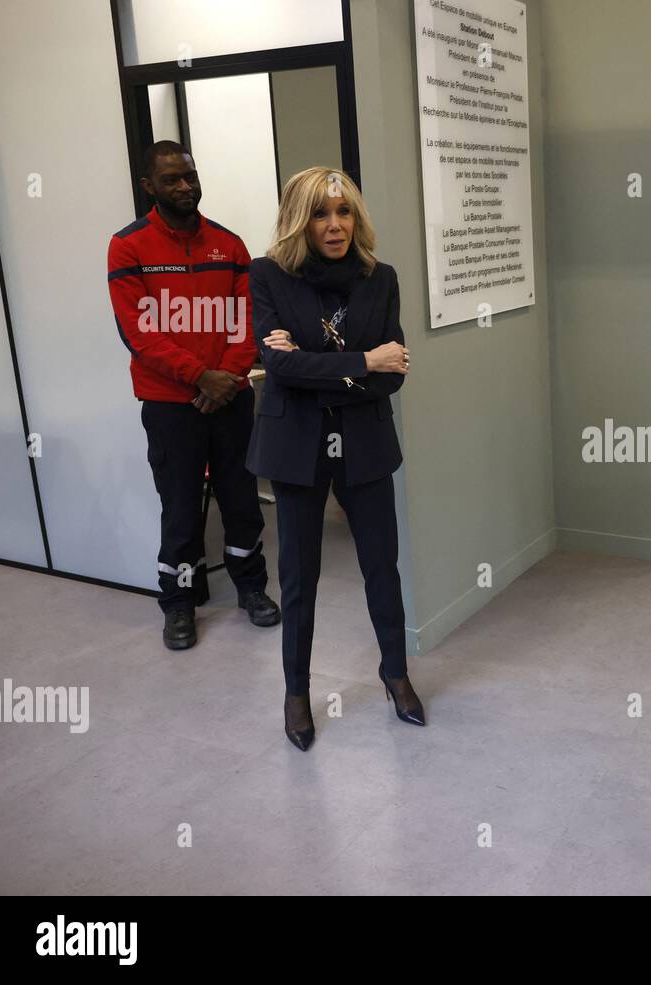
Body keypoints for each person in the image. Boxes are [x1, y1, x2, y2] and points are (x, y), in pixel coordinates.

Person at [247, 167, 424, 751]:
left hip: (365, 442)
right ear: (300, 219)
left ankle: (394, 671)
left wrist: (318, 366)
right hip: (294, 447)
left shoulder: (382, 278)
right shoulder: (268, 275)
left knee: (382, 567)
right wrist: (361, 363)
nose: (334, 225)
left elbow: (393, 375)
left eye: (343, 211)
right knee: (300, 576)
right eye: (320, 213)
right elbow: (278, 369)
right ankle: (296, 691)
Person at [107, 140, 280, 651]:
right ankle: (179, 603)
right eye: (171, 179)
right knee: (180, 508)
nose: (184, 186)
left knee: (242, 500)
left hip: (230, 397)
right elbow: (139, 332)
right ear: (149, 188)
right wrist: (199, 377)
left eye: (190, 176)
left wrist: (226, 377)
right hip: (169, 404)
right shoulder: (128, 246)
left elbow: (245, 318)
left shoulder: (228, 245)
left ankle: (252, 589)